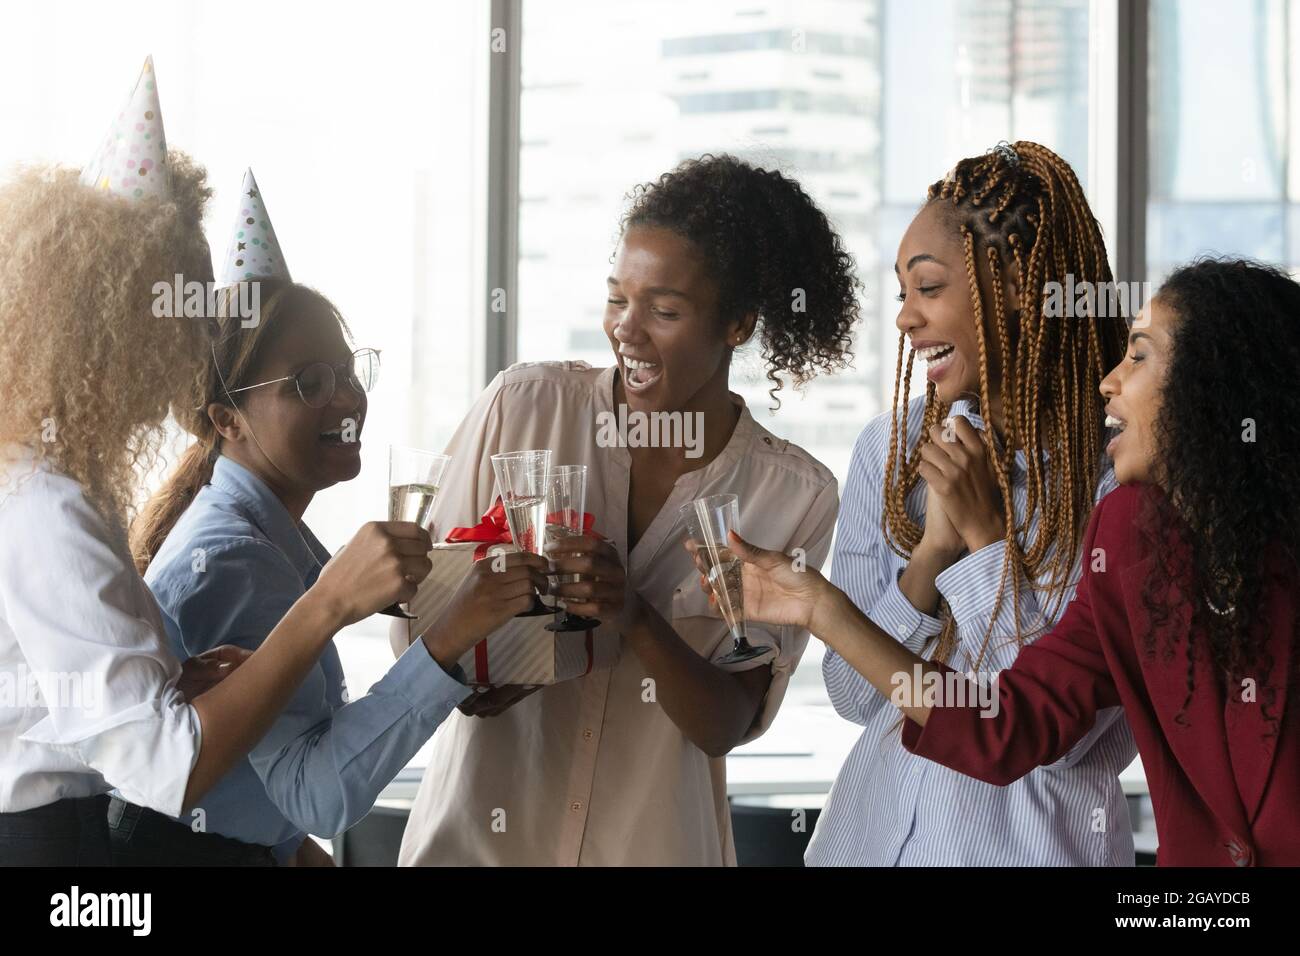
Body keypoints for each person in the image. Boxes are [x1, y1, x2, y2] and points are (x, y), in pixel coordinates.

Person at [727, 257, 1300, 866]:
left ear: (1216, 383)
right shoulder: (1134, 536)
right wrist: (822, 608)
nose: (1109, 381)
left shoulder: (1111, 503)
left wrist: (985, 542)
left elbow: (1071, 751)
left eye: (1139, 354)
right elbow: (1009, 724)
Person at [0, 59, 425, 866]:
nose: (197, 342)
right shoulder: (47, 502)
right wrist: (328, 604)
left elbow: (65, 703)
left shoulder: (46, 480)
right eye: (179, 309)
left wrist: (182, 678)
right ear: (117, 323)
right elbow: (169, 771)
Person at [394, 154, 853, 865]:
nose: (626, 330)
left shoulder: (792, 494)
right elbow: (420, 634)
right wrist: (473, 671)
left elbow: (726, 722)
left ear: (737, 323)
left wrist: (634, 616)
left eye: (664, 310)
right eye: (617, 299)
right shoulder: (523, 409)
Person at [109, 171, 551, 866]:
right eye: (309, 383)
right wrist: (450, 636)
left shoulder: (274, 549)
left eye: (348, 372)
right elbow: (314, 793)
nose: (346, 398)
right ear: (228, 421)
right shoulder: (233, 565)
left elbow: (270, 805)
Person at [804, 141, 1137, 866]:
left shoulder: (1120, 479)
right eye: (902, 293)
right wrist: (931, 558)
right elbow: (854, 697)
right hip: (864, 845)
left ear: (1017, 281)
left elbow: (1060, 740)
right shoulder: (887, 451)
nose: (905, 320)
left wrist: (989, 544)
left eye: (927, 289)